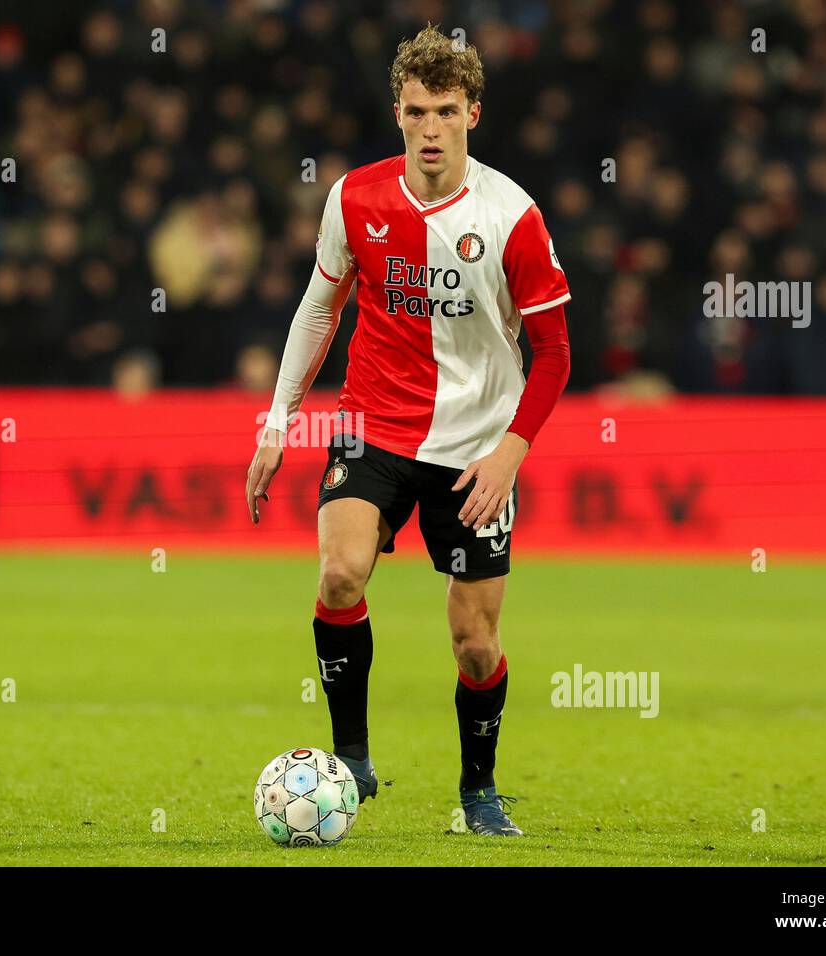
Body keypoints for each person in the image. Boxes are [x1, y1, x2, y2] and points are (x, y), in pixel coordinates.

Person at [245, 25, 571, 836]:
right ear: (398, 112)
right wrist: (278, 419)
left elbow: (556, 351)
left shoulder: (512, 217)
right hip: (372, 427)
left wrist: (510, 452)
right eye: (418, 111)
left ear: (473, 115)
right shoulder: (354, 197)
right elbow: (321, 307)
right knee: (340, 576)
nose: (431, 128)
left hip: (475, 452)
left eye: (447, 112)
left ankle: (479, 793)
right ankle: (351, 757)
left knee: (474, 644)